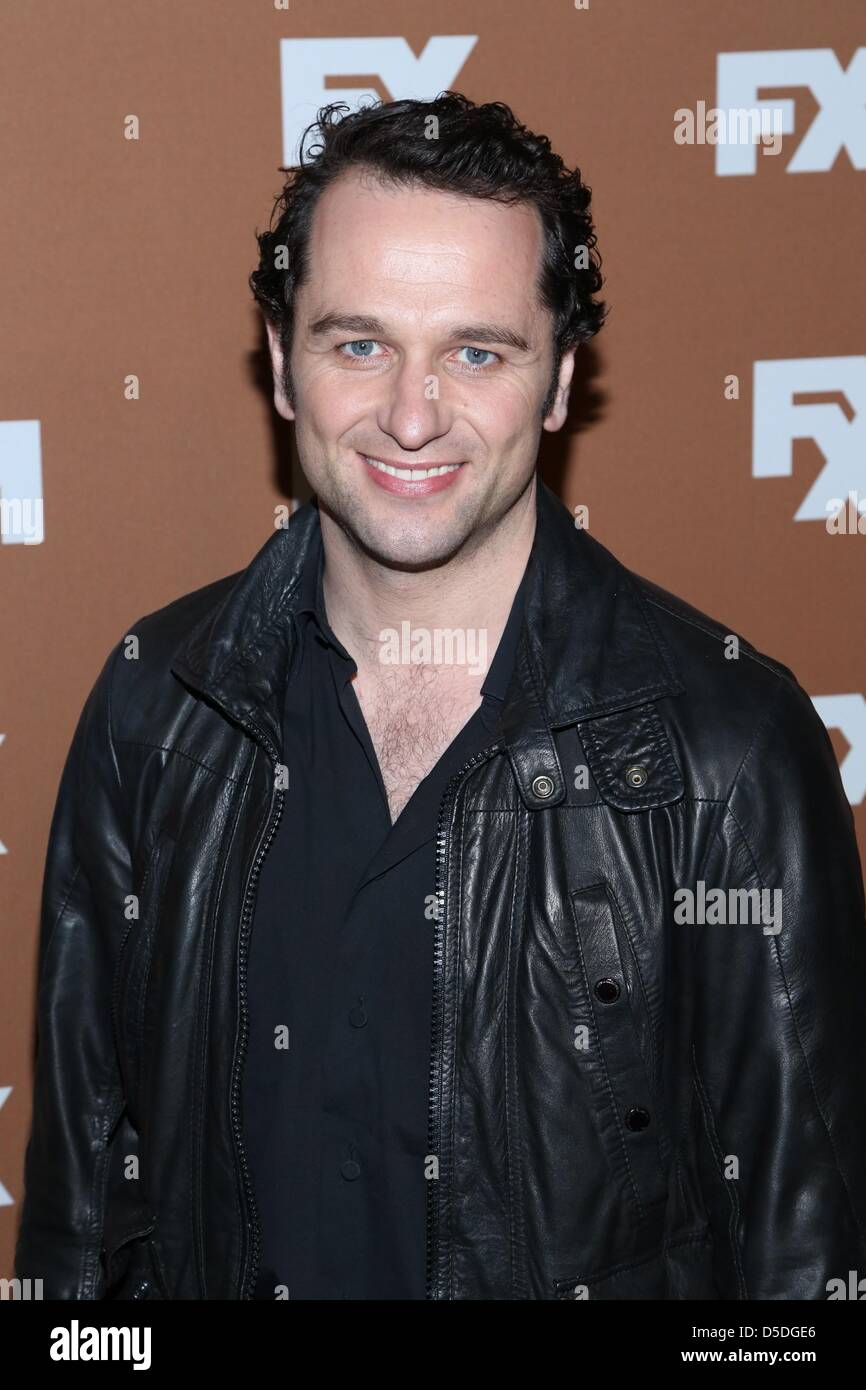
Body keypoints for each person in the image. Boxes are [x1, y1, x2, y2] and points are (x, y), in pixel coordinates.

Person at [15, 93, 866, 1300]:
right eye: (358, 343)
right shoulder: (159, 710)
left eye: (476, 351)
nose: (411, 417)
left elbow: (802, 1258)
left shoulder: (724, 745)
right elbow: (81, 1211)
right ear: (281, 362)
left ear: (561, 381)